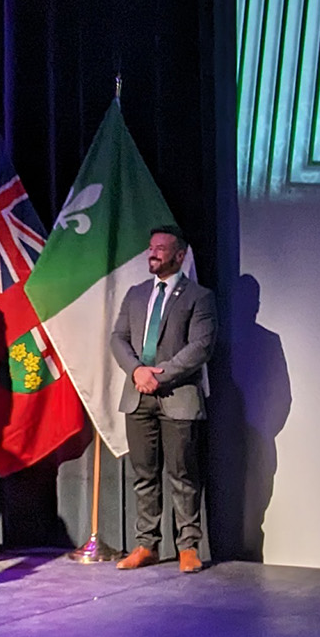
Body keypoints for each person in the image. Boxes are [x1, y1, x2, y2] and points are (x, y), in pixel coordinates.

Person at [110, 225, 217, 574]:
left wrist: (160, 375)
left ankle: (188, 546)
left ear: (179, 255)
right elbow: (118, 339)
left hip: (178, 396)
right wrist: (137, 372)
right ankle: (147, 545)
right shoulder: (136, 293)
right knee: (144, 474)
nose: (152, 253)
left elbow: (200, 347)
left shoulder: (199, 297)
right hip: (138, 396)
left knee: (183, 474)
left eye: (160, 248)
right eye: (150, 247)